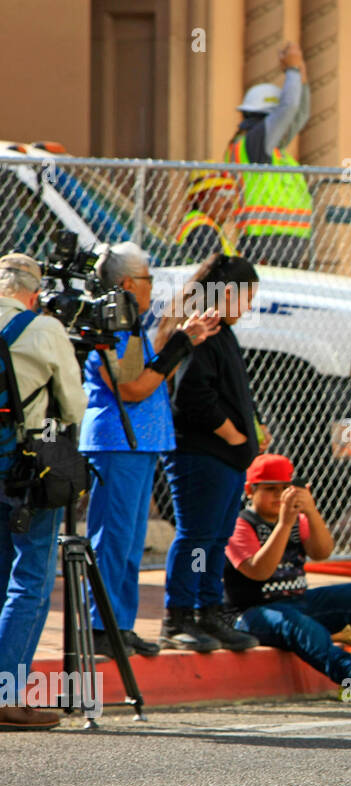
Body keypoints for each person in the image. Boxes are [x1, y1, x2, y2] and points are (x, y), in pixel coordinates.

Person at [81, 243, 221, 658]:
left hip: (140, 442)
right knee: (112, 539)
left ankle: (119, 625)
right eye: (147, 279)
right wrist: (178, 346)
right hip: (116, 441)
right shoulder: (108, 329)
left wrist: (185, 341)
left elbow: (150, 377)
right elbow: (132, 388)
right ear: (126, 283)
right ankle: (100, 626)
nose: (151, 286)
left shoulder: (131, 324)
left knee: (128, 540)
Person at [226, 453, 351, 699]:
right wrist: (283, 525)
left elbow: (322, 551)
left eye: (285, 489)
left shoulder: (296, 520)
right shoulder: (239, 524)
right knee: (299, 624)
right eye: (270, 489)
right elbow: (259, 571)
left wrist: (311, 512)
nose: (279, 496)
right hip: (251, 613)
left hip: (296, 602)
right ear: (250, 490)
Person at [160, 255, 267, 652]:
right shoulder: (201, 331)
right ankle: (178, 617)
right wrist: (234, 435)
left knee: (215, 537)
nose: (250, 305)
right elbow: (192, 396)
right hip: (202, 455)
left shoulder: (223, 331)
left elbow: (226, 389)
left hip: (226, 460)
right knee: (197, 537)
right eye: (247, 296)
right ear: (225, 294)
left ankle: (207, 610)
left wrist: (252, 429)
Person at [0, 253, 87, 730]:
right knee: (30, 578)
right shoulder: (44, 327)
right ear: (33, 293)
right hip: (25, 471)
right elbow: (73, 407)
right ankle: (7, 693)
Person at [224, 42, 313, 269]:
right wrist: (291, 71)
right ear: (268, 116)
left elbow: (299, 115)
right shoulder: (253, 144)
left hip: (285, 243)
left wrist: (300, 75)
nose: (283, 126)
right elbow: (289, 108)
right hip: (264, 242)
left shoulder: (271, 150)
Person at [176, 170, 239, 261]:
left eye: (231, 193)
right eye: (222, 194)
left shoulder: (210, 225)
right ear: (201, 198)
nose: (229, 201)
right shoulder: (202, 228)